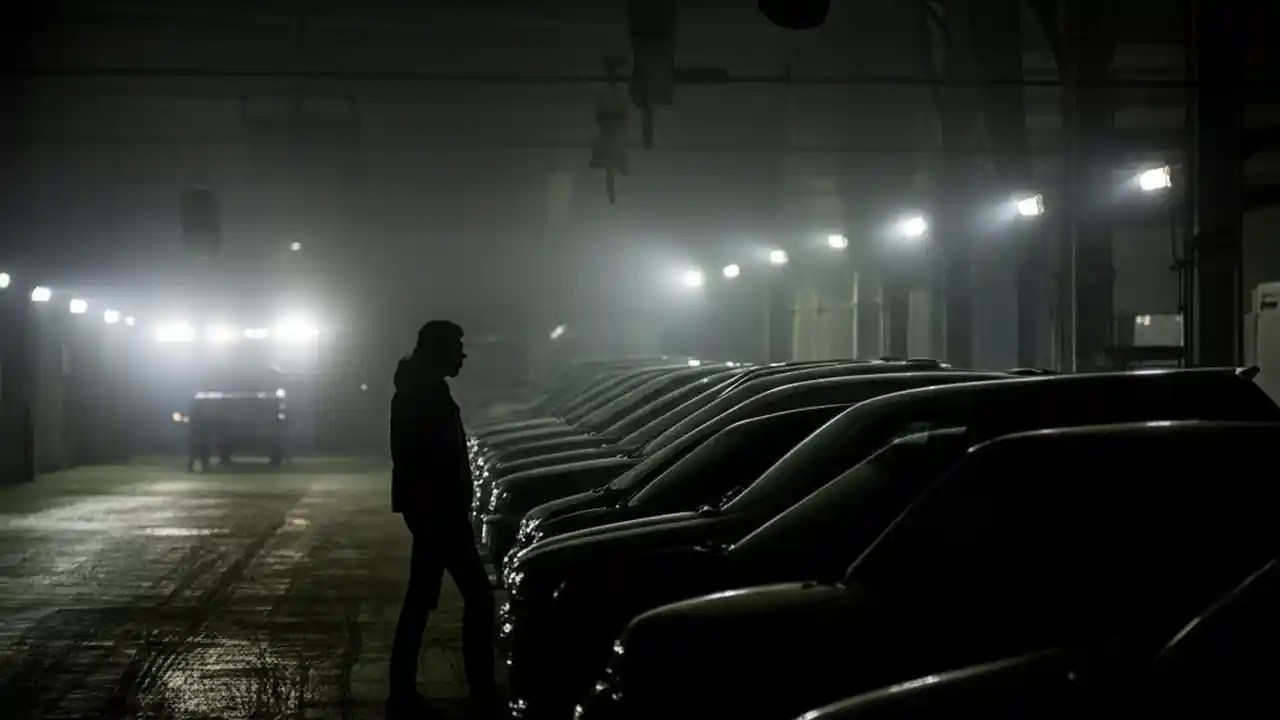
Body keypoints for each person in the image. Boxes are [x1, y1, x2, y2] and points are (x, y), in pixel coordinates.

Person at [387, 320, 498, 718]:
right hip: (439, 513)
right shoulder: (424, 394)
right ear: (439, 351)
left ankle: (401, 688)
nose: (462, 356)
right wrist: (438, 510)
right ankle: (481, 687)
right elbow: (421, 459)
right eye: (457, 348)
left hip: (434, 511)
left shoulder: (422, 389)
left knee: (421, 600)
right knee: (477, 598)